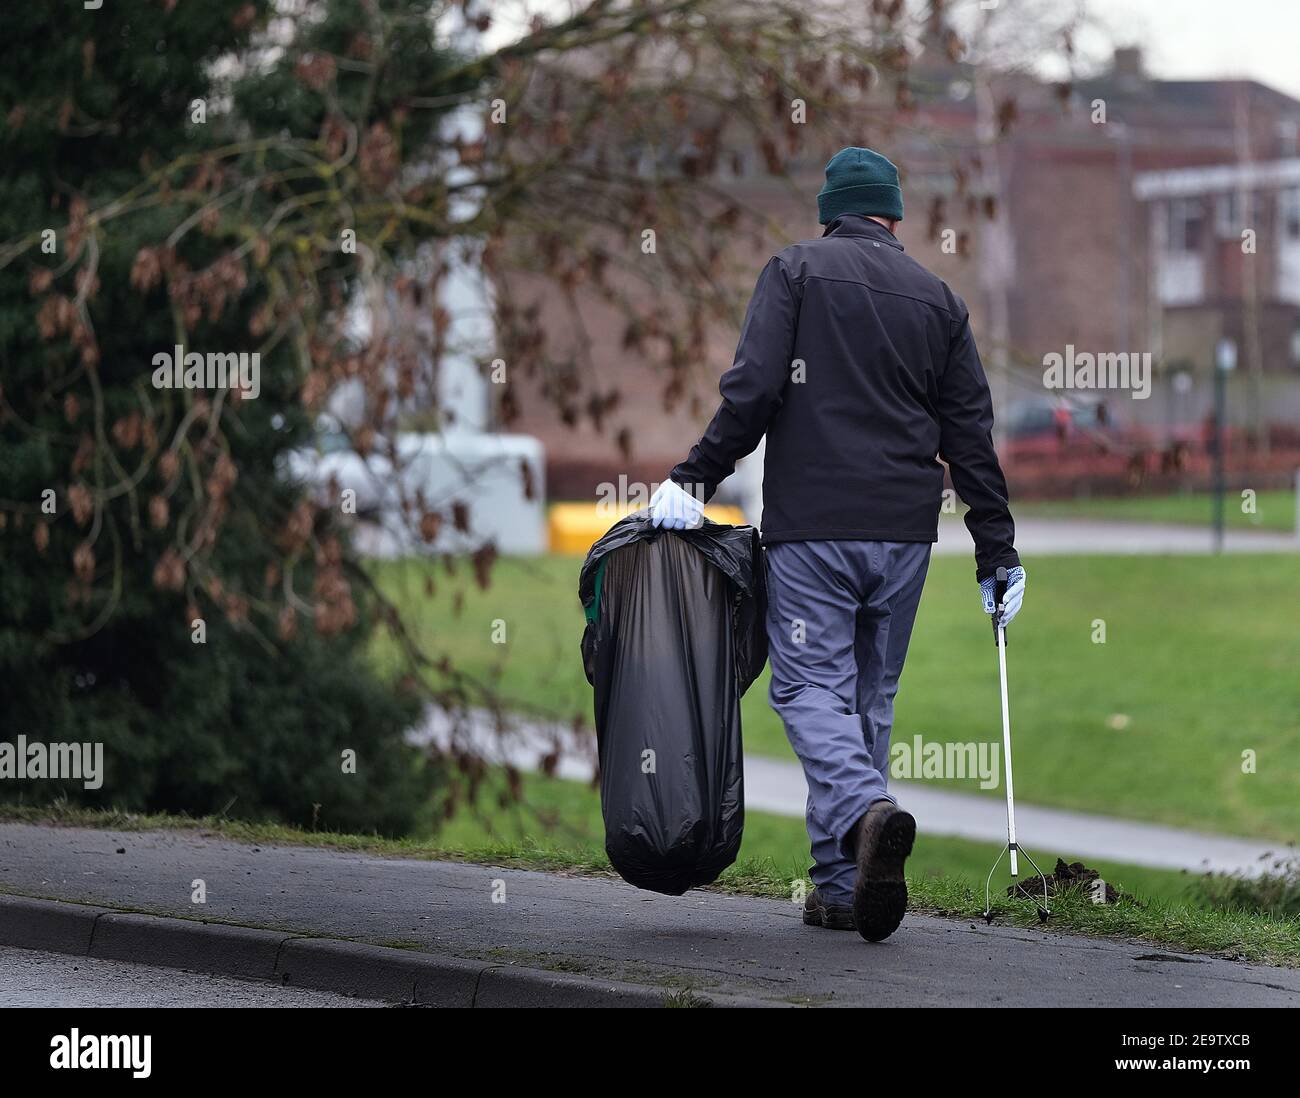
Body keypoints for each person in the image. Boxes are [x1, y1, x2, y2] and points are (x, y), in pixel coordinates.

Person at [648, 147, 1025, 942]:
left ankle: (864, 812)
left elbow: (751, 391)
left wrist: (693, 479)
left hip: (815, 527)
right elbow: (971, 437)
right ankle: (843, 888)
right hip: (903, 535)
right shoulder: (940, 300)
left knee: (807, 689)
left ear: (831, 212)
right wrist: (998, 551)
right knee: (867, 701)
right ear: (893, 215)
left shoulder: (795, 272)